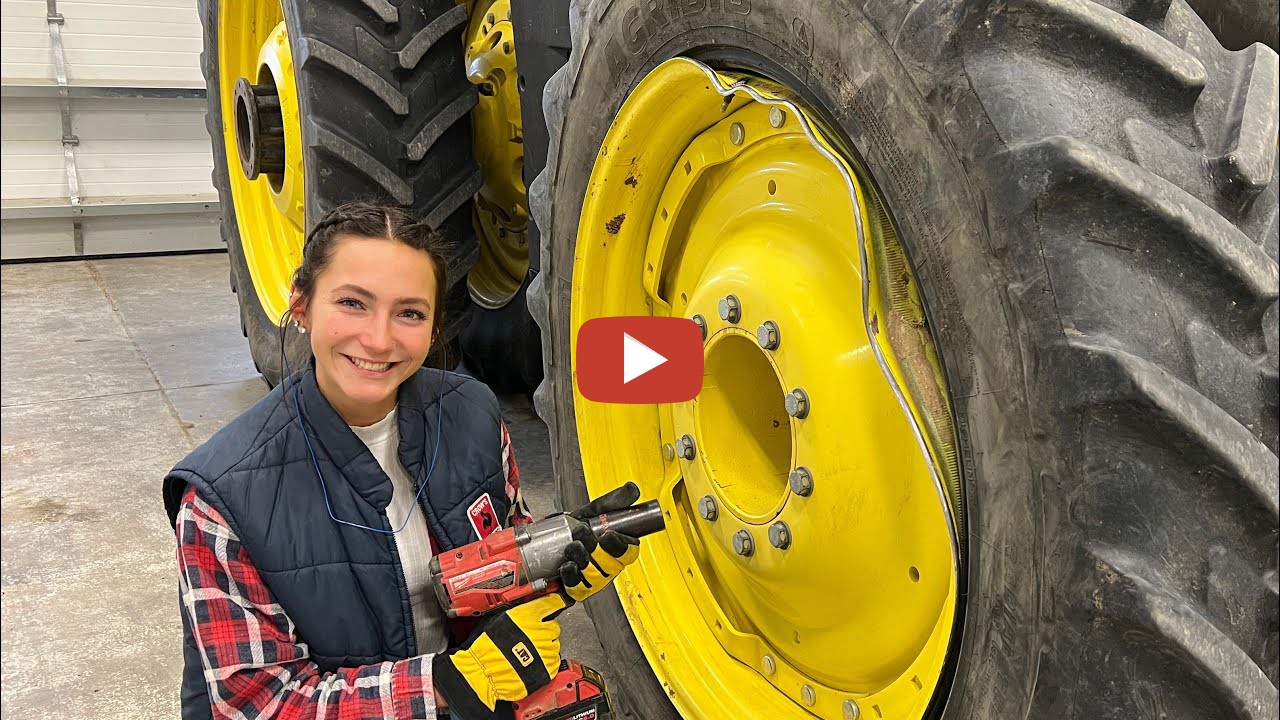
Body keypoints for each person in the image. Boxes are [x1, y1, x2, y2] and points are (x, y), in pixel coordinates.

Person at [162, 201, 643, 720]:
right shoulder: (221, 499)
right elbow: (262, 704)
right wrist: (444, 682)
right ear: (301, 305)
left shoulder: (472, 415)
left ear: (435, 328)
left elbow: (500, 552)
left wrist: (556, 565)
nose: (379, 338)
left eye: (409, 313)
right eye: (352, 303)